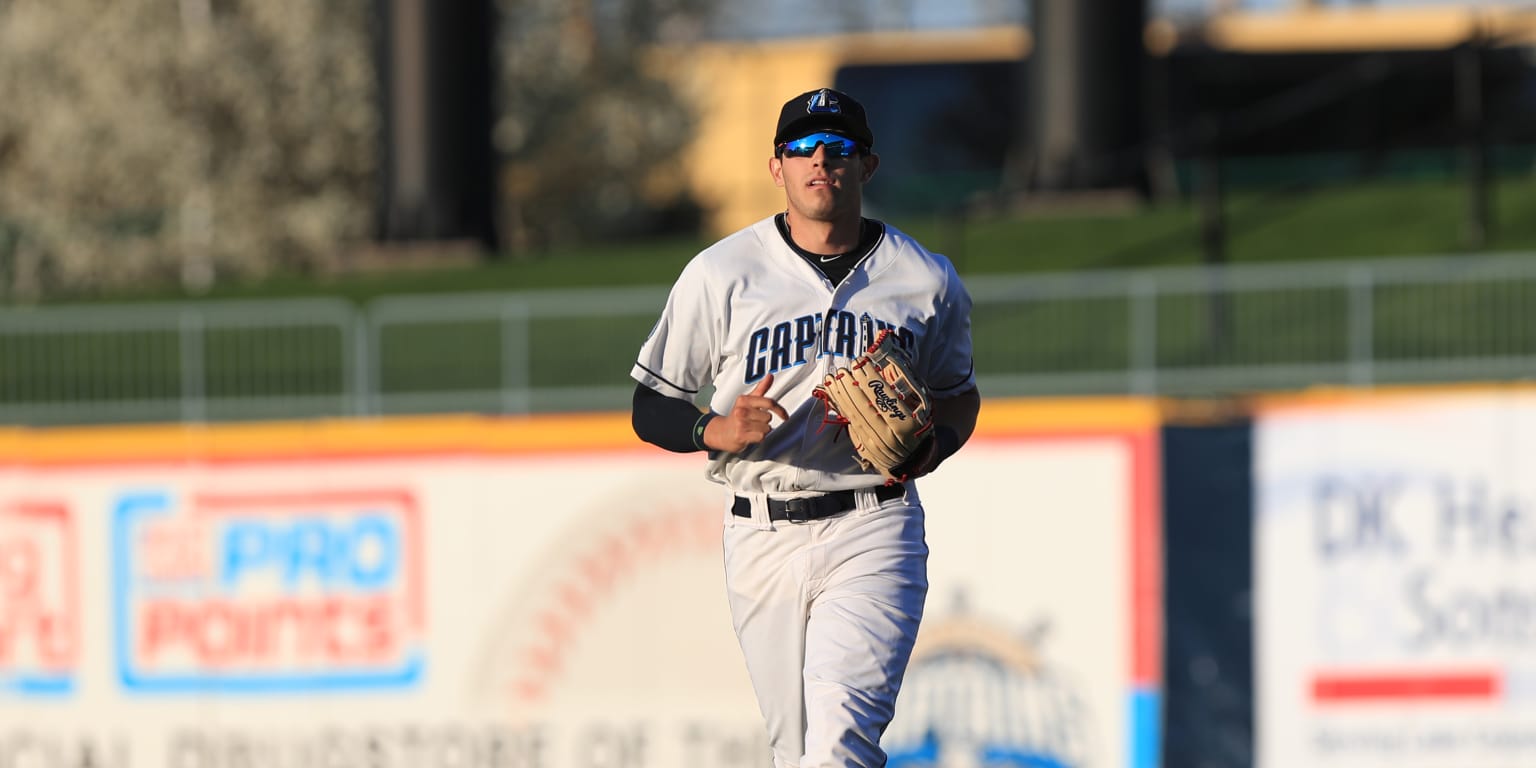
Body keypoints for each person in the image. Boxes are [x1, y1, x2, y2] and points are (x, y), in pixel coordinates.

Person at [629, 87, 980, 767]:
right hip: (759, 532)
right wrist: (713, 429)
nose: (821, 160)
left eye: (840, 148)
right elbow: (650, 405)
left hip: (871, 523)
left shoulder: (925, 279)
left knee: (838, 744)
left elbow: (958, 398)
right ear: (777, 168)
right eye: (803, 148)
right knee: (797, 754)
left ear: (867, 167)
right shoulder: (721, 273)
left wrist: (928, 446)